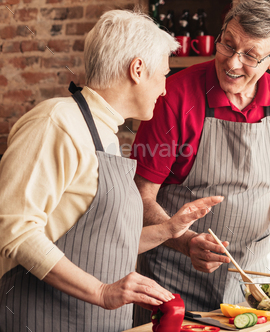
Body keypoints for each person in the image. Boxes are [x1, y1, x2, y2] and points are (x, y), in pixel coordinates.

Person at [0, 10, 222, 331]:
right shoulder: (57, 122)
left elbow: (102, 246)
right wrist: (101, 292)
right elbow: (14, 230)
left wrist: (169, 230)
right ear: (137, 69)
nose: (164, 90)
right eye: (163, 75)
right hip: (42, 319)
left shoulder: (104, 133)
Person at [131, 0, 270, 323]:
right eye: (228, 44)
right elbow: (141, 195)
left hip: (252, 286)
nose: (232, 61)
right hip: (173, 281)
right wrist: (187, 243)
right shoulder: (174, 96)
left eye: (250, 55)